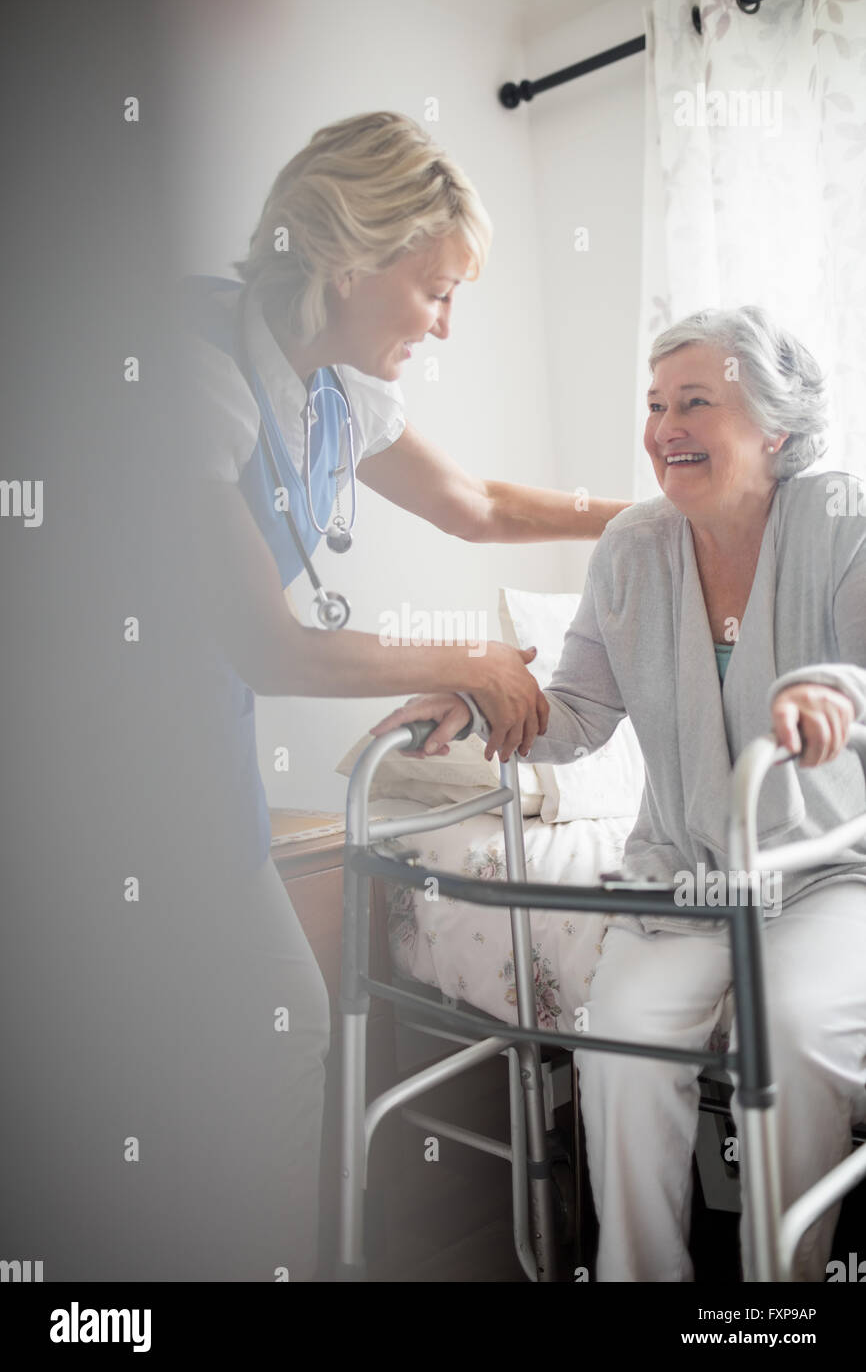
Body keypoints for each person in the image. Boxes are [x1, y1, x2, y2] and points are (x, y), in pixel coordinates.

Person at [183, 110, 631, 1279]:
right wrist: (464, 664)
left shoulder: (338, 393)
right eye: (433, 291)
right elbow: (267, 646)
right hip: (97, 754)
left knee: (269, 1050)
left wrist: (630, 515)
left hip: (198, 752)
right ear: (348, 260)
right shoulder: (192, 370)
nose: (442, 322)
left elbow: (473, 504)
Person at [375, 305, 866, 1282]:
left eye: (693, 402)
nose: (661, 428)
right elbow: (576, 714)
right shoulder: (632, 546)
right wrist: (481, 711)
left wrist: (833, 690)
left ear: (772, 424)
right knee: (617, 1052)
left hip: (817, 874)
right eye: (652, 405)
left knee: (800, 1037)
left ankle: (786, 1291)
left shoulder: (839, 517)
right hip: (677, 884)